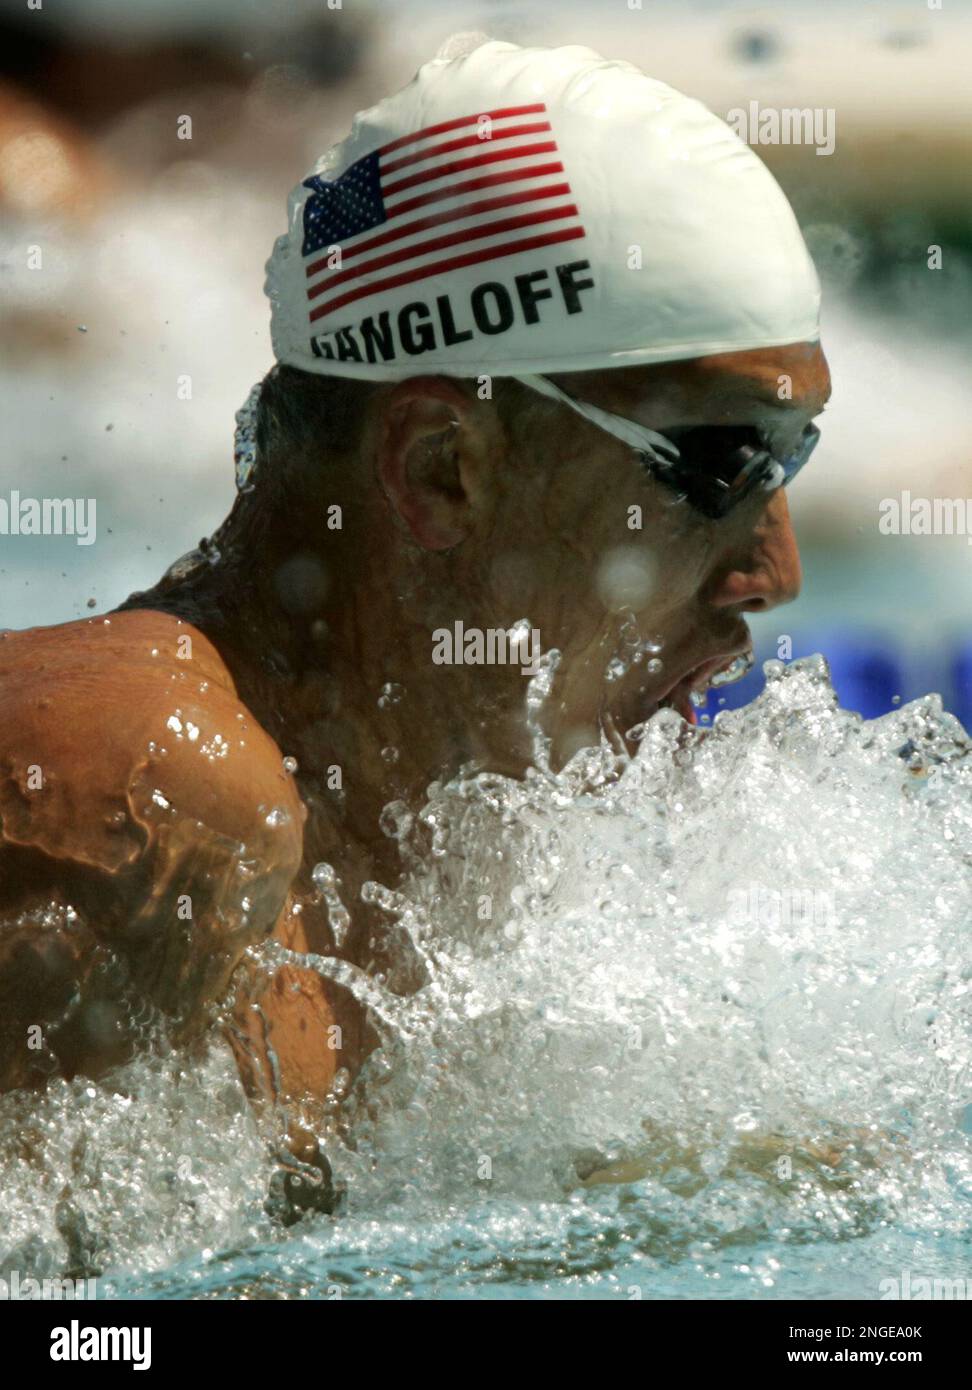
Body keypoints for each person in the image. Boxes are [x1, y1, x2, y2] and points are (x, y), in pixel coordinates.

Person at [0, 40, 830, 1206]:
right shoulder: (154, 793)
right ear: (441, 469)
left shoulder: (435, 872)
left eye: (799, 457)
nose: (774, 571)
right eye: (725, 464)